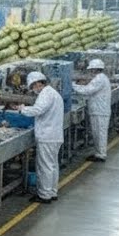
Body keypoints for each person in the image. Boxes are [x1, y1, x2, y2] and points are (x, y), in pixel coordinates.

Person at [15, 72, 64, 204]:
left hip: (47, 136)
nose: (33, 90)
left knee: (45, 166)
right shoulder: (52, 93)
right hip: (54, 135)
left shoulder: (46, 94)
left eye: (33, 87)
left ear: (37, 83)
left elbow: (38, 110)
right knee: (53, 165)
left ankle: (44, 195)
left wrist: (22, 109)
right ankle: (52, 192)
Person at [73, 59, 111, 162]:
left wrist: (72, 85)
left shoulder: (99, 79)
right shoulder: (101, 78)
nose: (91, 72)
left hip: (100, 111)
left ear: (95, 69)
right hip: (98, 110)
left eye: (91, 70)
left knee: (100, 133)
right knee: (97, 133)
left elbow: (87, 90)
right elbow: (89, 88)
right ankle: (99, 152)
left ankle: (101, 154)